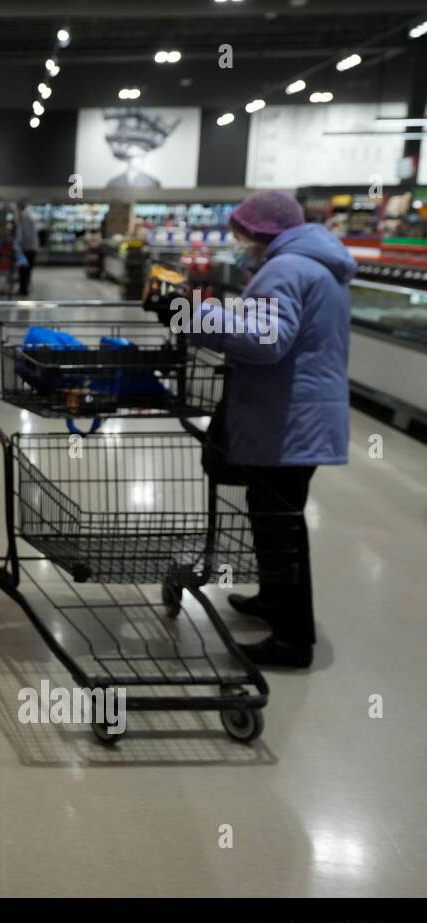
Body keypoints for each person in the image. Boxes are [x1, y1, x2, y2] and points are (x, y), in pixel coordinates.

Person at [162, 190, 355, 669]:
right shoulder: (311, 264)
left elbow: (264, 341)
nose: (238, 241)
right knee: (271, 513)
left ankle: (292, 640)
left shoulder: (287, 269)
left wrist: (188, 315)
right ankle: (274, 600)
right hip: (296, 415)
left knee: (280, 524)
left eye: (243, 231)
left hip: (288, 419)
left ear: (262, 232)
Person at [16, 200, 39, 296]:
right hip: (31, 248)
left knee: (23, 269)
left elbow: (25, 234)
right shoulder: (31, 215)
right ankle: (25, 288)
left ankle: (23, 290)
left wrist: (19, 245)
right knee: (27, 270)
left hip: (26, 249)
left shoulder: (25, 217)